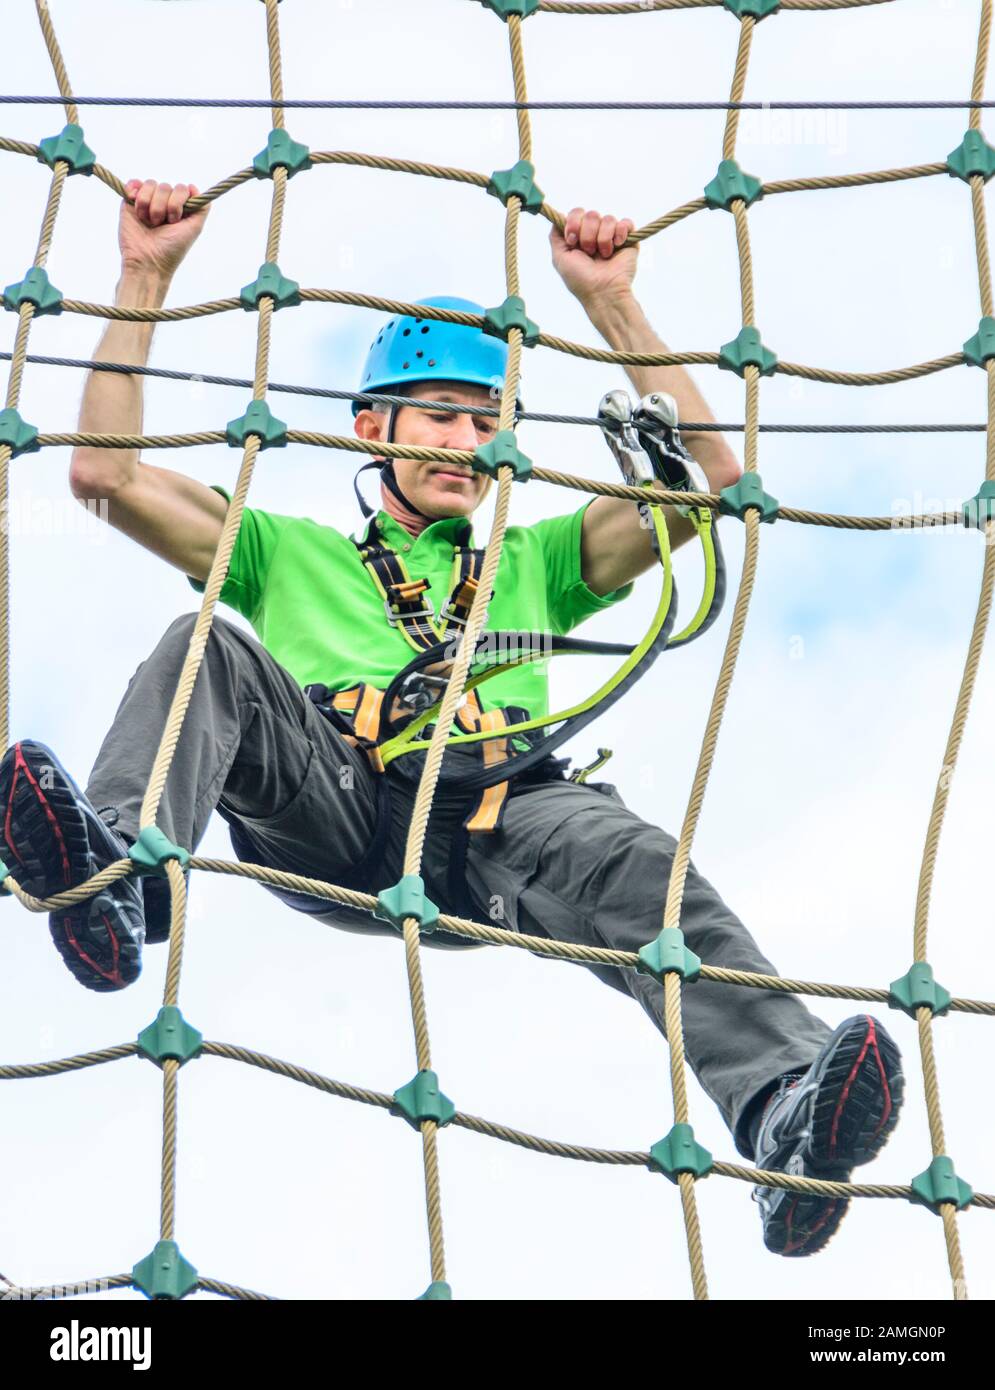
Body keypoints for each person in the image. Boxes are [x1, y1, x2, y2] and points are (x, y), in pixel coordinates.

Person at [0, 179, 903, 1258]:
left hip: (495, 816)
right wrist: (144, 275)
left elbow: (707, 484)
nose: (465, 444)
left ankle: (781, 1117)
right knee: (205, 645)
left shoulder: (534, 563)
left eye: (487, 424)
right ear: (371, 425)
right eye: (440, 416)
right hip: (334, 801)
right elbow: (104, 474)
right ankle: (111, 875)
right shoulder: (288, 553)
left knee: (636, 865)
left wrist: (613, 303)